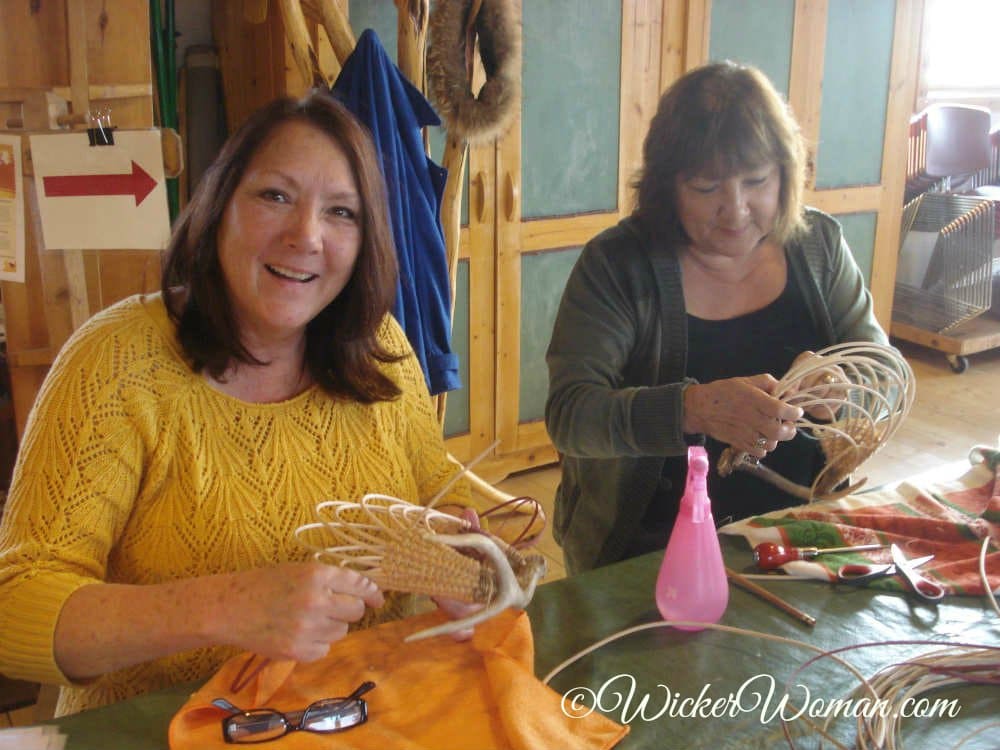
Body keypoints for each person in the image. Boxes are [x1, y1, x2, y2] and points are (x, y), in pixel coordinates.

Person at [0, 92, 471, 715]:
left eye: (342, 213)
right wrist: (228, 606)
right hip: (162, 728)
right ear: (218, 207)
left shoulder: (375, 342)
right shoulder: (116, 363)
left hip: (355, 714)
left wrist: (466, 542)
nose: (306, 235)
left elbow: (431, 482)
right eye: (274, 195)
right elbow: (15, 607)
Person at [545, 61, 889, 575]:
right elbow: (572, 416)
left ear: (786, 174)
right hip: (647, 552)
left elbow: (881, 371)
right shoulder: (619, 266)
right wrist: (692, 409)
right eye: (706, 188)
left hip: (803, 535)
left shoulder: (818, 246)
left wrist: (841, 388)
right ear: (667, 187)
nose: (736, 210)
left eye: (756, 182)